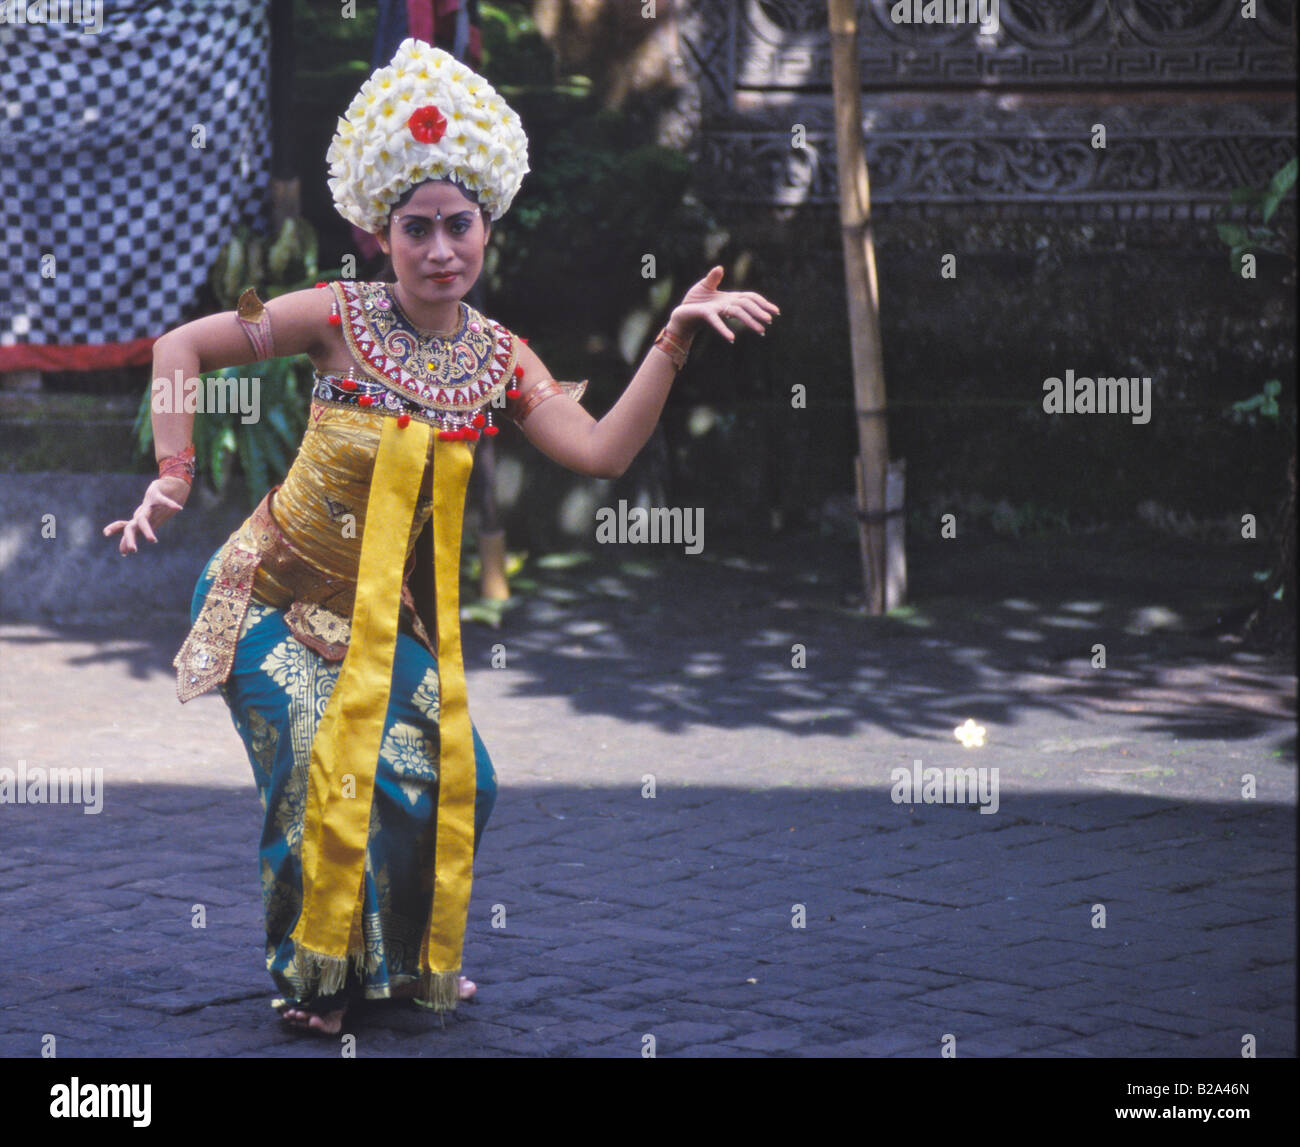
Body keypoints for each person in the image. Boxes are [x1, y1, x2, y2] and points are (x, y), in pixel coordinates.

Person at [103, 38, 778, 1036]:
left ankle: (409, 961)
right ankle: (313, 978)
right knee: (314, 763)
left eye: (457, 227)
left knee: (460, 780)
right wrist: (173, 471)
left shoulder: (502, 360)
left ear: (485, 228)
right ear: (381, 234)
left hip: (380, 621)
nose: (439, 250)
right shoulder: (333, 314)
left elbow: (596, 452)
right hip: (271, 600)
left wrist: (671, 341)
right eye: (415, 229)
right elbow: (184, 344)